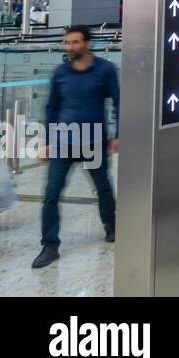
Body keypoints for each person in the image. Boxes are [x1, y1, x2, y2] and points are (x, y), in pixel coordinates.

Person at [32, 26, 119, 269]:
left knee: (103, 188)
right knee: (51, 193)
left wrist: (118, 135)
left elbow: (118, 102)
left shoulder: (105, 70)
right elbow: (51, 108)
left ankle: (110, 224)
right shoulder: (60, 73)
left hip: (94, 141)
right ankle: (50, 246)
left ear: (88, 44)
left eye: (74, 42)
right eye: (67, 43)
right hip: (63, 142)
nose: (69, 47)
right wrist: (47, 140)